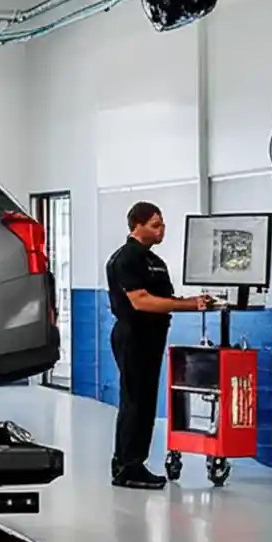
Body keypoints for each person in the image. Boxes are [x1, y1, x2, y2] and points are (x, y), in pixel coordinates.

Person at [105, 201, 208, 489]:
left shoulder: (154, 261)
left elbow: (164, 298)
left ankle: (134, 461)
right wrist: (190, 305)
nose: (162, 230)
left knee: (145, 401)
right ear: (137, 225)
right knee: (135, 401)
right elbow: (141, 301)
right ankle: (127, 467)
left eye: (162, 224)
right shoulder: (126, 259)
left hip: (151, 337)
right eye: (155, 225)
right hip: (133, 335)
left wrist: (185, 302)